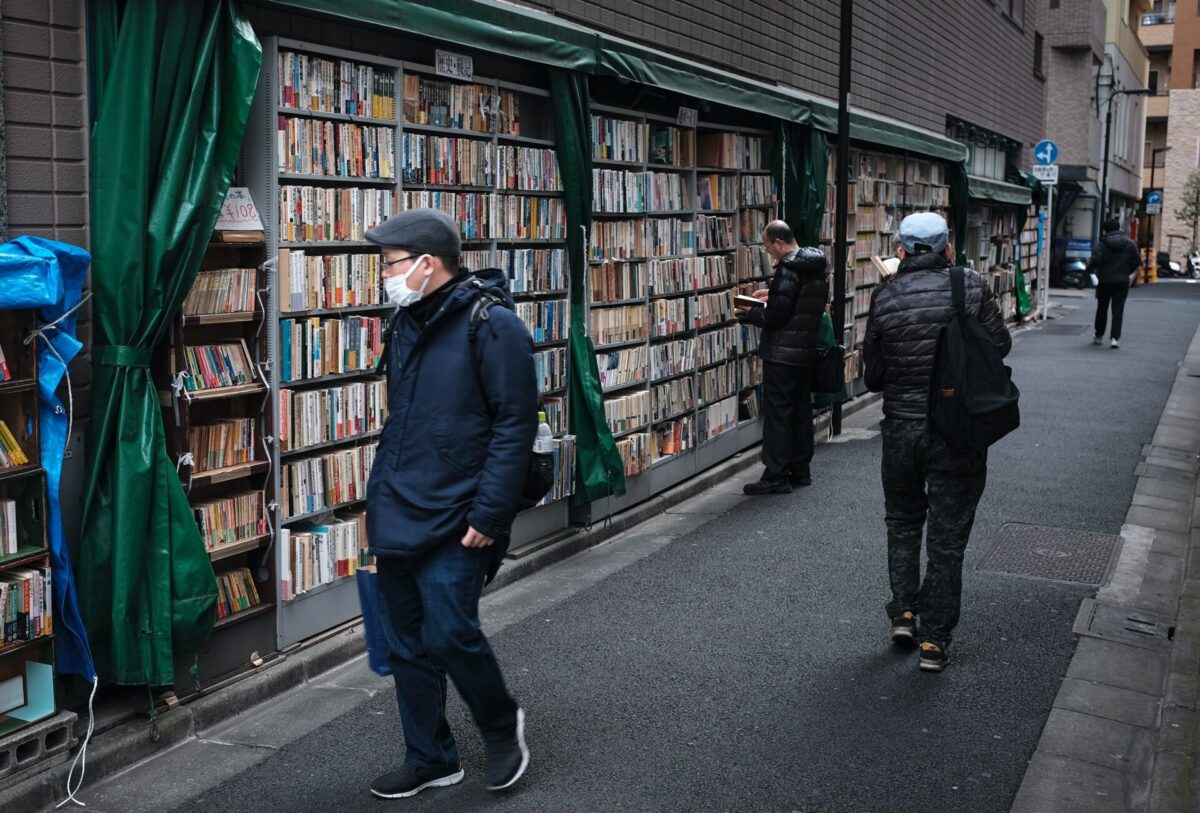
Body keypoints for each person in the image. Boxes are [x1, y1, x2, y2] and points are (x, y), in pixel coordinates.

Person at [364, 208, 536, 798]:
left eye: (390, 264)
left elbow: (516, 425)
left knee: (449, 631)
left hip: (461, 513)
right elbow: (404, 419)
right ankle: (430, 756)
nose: (385, 275)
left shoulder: (493, 326)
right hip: (400, 505)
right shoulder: (406, 321)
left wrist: (490, 514)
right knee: (405, 640)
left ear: (426, 264)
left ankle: (499, 723)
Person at [862, 212, 1011, 673]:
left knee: (902, 521)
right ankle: (935, 642)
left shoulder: (884, 295)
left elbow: (874, 377)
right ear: (948, 248)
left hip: (901, 431)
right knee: (947, 541)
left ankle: (903, 613)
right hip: (956, 432)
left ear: (901, 250)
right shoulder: (970, 285)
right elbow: (999, 345)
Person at [735, 220, 829, 495]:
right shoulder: (816, 266)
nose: (768, 252)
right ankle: (800, 470)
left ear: (779, 242)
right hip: (804, 352)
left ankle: (775, 475)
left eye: (767, 246)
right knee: (800, 412)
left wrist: (751, 312)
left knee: (778, 415)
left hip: (781, 354)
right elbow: (799, 303)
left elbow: (777, 316)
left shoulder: (788, 268)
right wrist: (772, 294)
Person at [1088, 217, 1142, 349]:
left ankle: (1099, 335)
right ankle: (1114, 338)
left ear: (1106, 230)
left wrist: (1090, 271)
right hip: (1121, 282)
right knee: (1118, 310)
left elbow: (1095, 261)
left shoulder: (1102, 244)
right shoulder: (1130, 244)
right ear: (1119, 228)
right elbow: (1137, 261)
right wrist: (1126, 272)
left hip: (1105, 281)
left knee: (1102, 309)